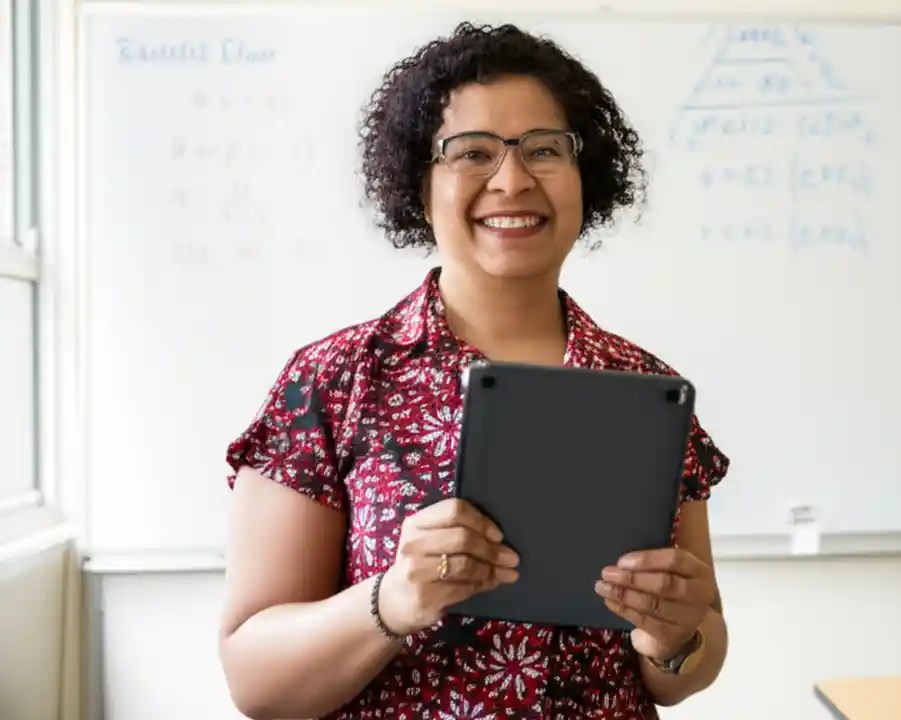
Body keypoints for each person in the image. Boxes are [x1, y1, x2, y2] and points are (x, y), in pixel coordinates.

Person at [217, 21, 731, 720]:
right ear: (418, 185)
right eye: (471, 153)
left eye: (544, 149)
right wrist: (391, 600)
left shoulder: (647, 388)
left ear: (587, 176)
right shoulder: (334, 380)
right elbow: (255, 681)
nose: (512, 180)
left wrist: (674, 635)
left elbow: (687, 666)